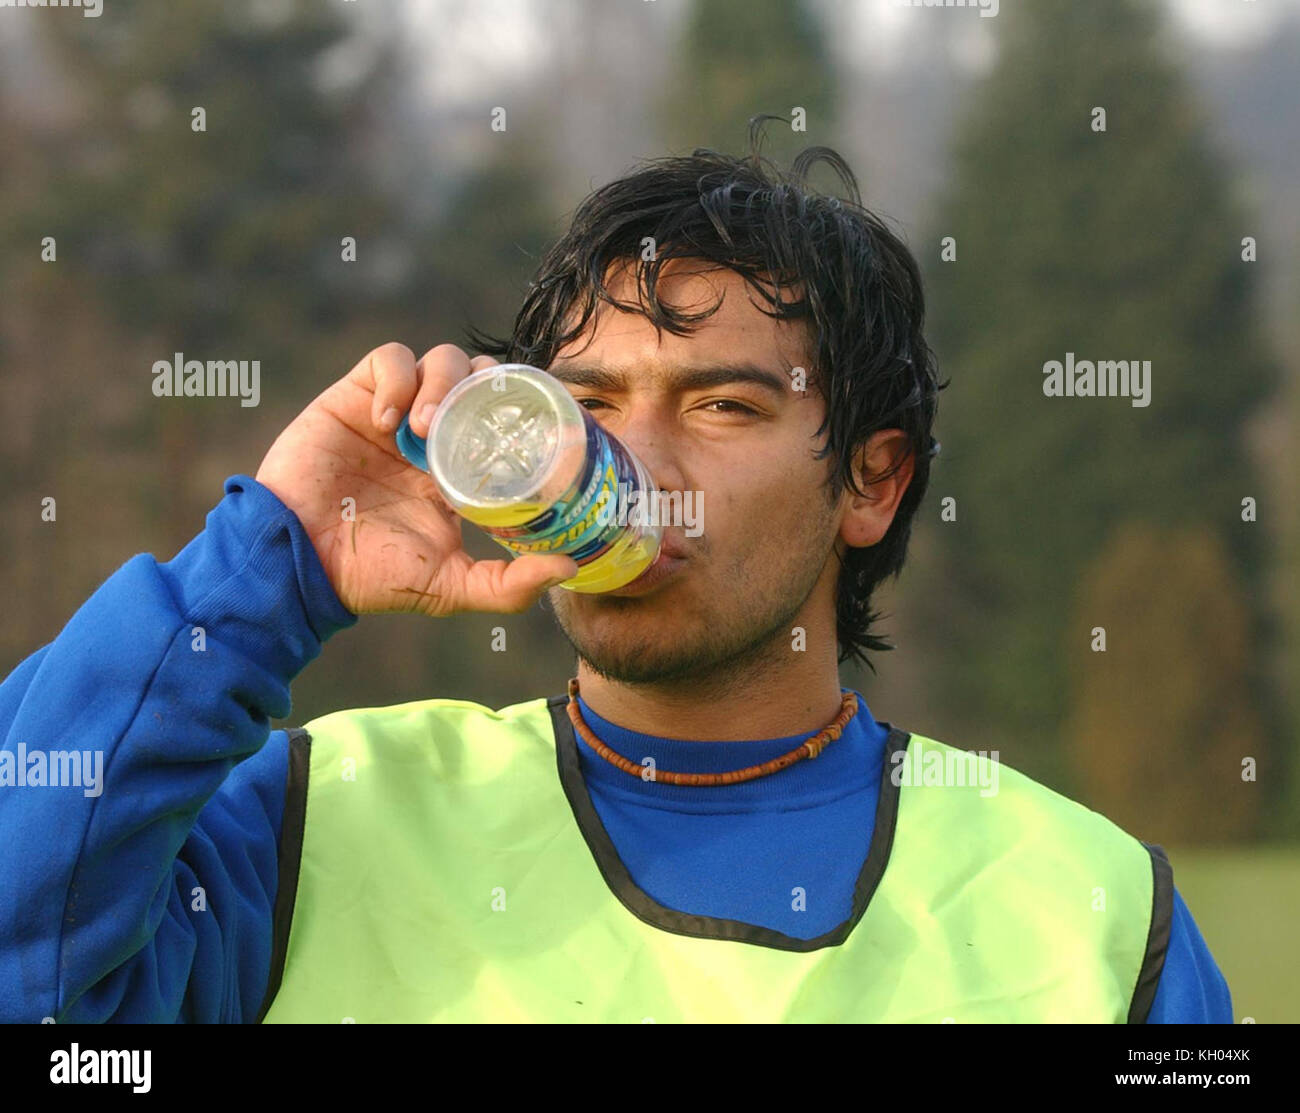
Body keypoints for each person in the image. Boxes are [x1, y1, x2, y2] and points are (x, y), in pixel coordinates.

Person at [0, 133, 1232, 1023]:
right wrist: (267, 565)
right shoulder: (313, 822)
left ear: (873, 482)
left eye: (724, 404)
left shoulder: (1094, 915)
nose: (631, 462)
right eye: (584, 403)